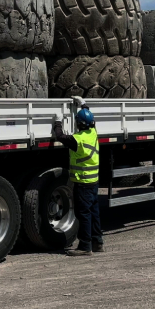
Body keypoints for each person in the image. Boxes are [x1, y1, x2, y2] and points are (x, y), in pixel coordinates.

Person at [53, 96, 104, 256]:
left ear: (79, 124)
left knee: (83, 214)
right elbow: (88, 115)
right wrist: (83, 105)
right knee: (93, 212)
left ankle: (85, 246)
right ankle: (97, 242)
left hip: (82, 183)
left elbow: (60, 136)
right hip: (93, 182)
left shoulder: (78, 140)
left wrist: (58, 122)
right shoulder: (93, 133)